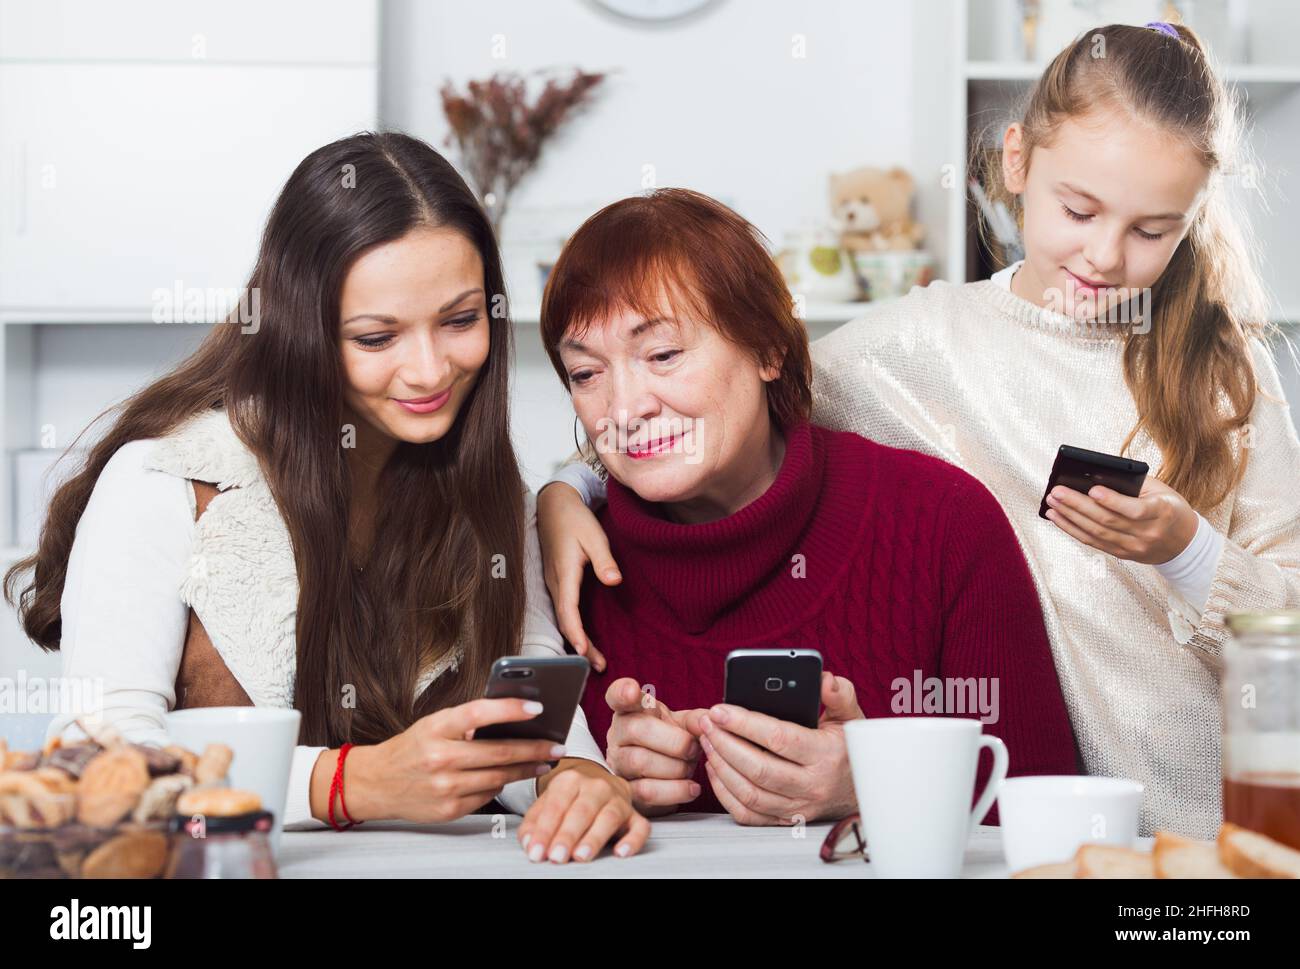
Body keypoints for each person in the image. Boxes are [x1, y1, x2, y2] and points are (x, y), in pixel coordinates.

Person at [538, 23, 1300, 838]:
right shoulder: (909, 347)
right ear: (1017, 162)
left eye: (1154, 230)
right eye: (1078, 209)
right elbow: (705, 404)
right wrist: (567, 489)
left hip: (1227, 823)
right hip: (1044, 827)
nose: (1107, 255)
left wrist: (1186, 551)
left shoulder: (1225, 372)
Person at [7, 132, 647, 864]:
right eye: (377, 338)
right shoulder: (164, 482)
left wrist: (576, 778)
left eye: (462, 320)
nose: (431, 368)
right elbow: (104, 759)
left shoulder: (497, 493)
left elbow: (528, 721)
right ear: (299, 332)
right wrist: (348, 783)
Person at [535, 186, 1079, 825]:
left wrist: (880, 789)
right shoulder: (563, 569)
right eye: (586, 374)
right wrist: (599, 779)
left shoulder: (944, 523)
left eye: (663, 355)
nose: (625, 410)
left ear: (769, 348)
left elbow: (1049, 816)